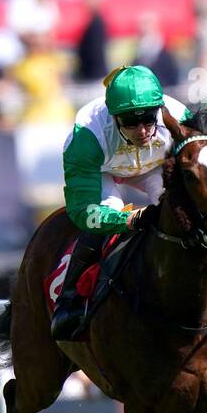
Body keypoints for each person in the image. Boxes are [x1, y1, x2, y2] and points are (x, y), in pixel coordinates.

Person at [51, 64, 196, 341]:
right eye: (130, 121)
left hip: (155, 166)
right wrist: (127, 219)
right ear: (114, 117)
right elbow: (83, 212)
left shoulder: (179, 119)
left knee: (182, 213)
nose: (141, 129)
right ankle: (69, 301)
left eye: (147, 118)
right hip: (106, 170)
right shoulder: (86, 138)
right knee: (108, 222)